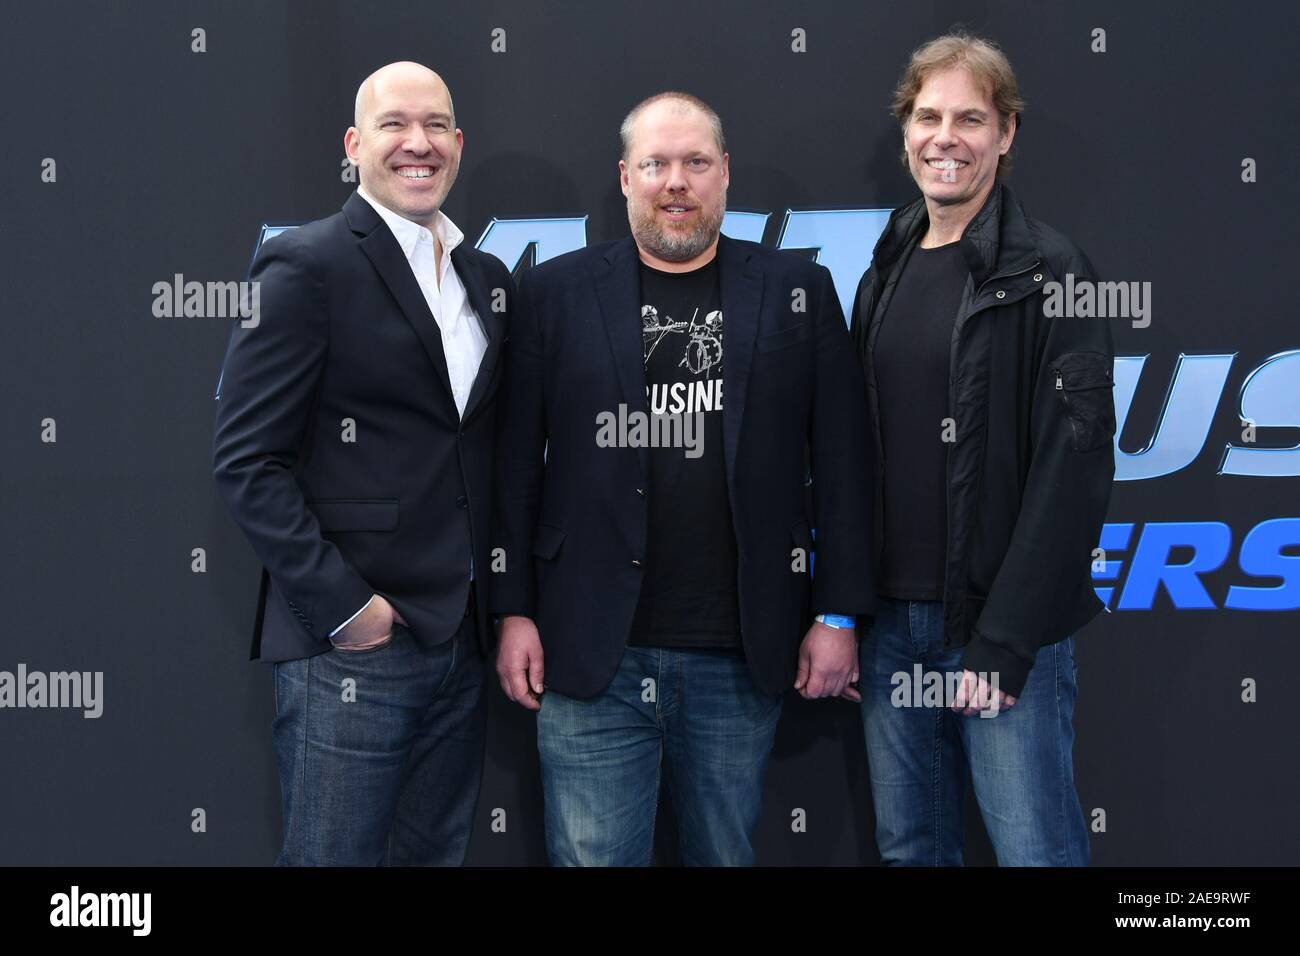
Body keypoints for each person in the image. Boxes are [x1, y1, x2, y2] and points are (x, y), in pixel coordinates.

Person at [492, 92, 873, 866]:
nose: (676, 182)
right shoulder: (553, 295)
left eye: (696, 162)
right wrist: (512, 612)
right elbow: (512, 471)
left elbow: (843, 463)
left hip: (738, 650)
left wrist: (838, 613)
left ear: (724, 174)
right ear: (625, 176)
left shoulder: (799, 290)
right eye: (657, 164)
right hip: (589, 651)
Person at [212, 61, 512, 865]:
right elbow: (246, 461)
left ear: (458, 142)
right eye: (393, 125)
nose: (418, 144)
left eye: (436, 126)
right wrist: (350, 610)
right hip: (354, 656)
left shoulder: (485, 278)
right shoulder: (305, 265)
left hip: (459, 646)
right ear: (354, 145)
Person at [850, 33, 1115, 866]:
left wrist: (1003, 640)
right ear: (904, 132)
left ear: (1005, 134)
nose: (946, 136)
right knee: (911, 850)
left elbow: (1073, 472)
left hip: (994, 625)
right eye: (928, 115)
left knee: (1034, 850)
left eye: (971, 117)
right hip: (893, 623)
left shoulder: (1054, 270)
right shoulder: (886, 261)